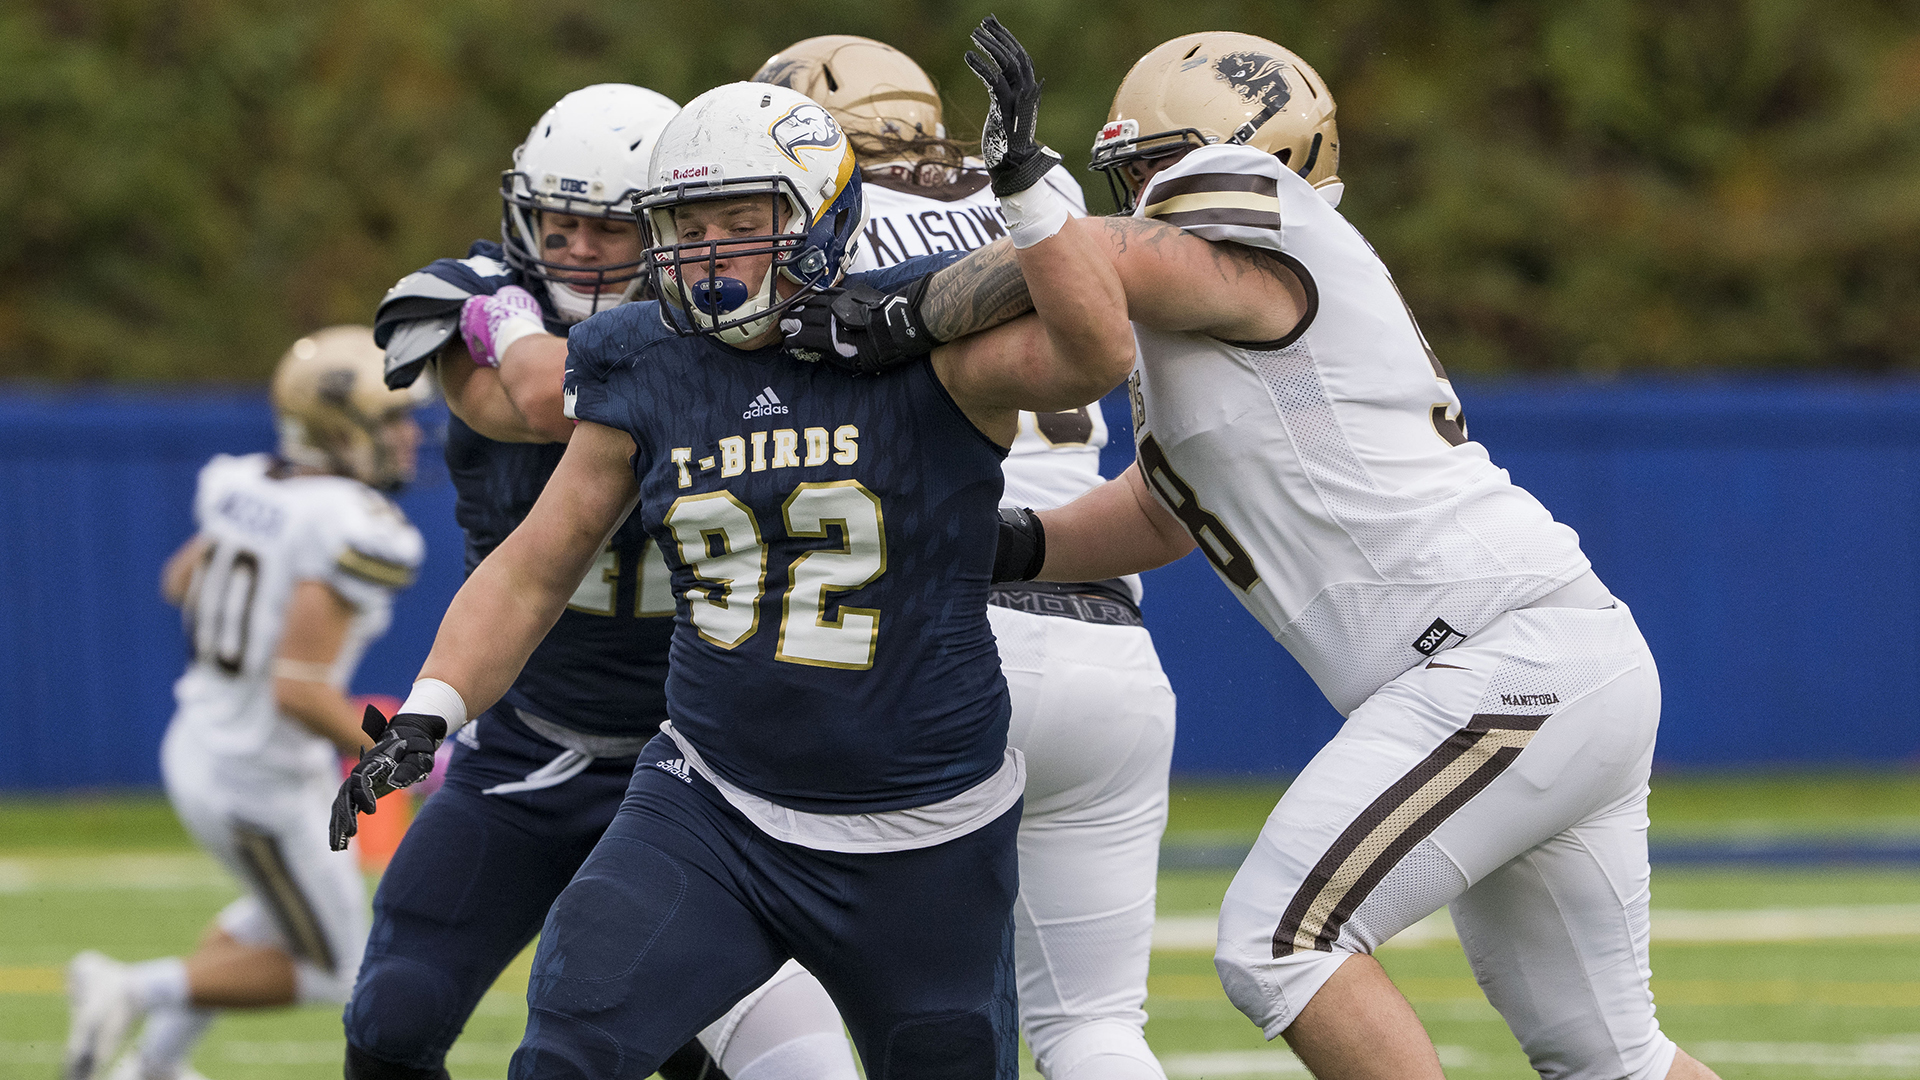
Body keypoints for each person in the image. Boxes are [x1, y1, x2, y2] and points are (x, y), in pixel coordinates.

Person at [330, 74, 1135, 1080]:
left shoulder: (918, 335)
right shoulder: (644, 356)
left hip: (925, 821)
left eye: (736, 220)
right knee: (567, 1049)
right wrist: (431, 709)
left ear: (816, 214)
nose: (706, 249)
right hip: (713, 799)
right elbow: (535, 565)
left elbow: (1096, 352)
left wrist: (1026, 191)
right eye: (684, 222)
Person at [966, 25, 1725, 1080]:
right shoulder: (1228, 338)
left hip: (1498, 663)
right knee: (1614, 1056)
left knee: (1281, 942)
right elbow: (1165, 511)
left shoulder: (1269, 228)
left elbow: (1101, 253)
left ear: (1261, 158)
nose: (1145, 192)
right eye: (1130, 172)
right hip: (1541, 662)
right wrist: (1001, 547)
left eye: (1162, 167)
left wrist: (996, 228)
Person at [356, 83, 857, 1080]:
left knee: (683, 1046)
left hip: (698, 768)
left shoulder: (735, 312)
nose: (578, 248)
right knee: (392, 1020)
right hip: (527, 750)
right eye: (558, 222)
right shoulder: (471, 298)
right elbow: (540, 402)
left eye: (607, 226)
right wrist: (505, 324)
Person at [754, 37, 1177, 1080]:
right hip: (1107, 650)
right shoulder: (1042, 195)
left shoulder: (817, 221)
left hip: (927, 636)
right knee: (1093, 1028)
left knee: (765, 972)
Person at [64, 327, 426, 1080]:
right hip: (256, 774)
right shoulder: (350, 525)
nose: (408, 437)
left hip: (205, 740)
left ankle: (152, 1067)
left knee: (273, 915)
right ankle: (128, 988)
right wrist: (409, 749)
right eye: (390, 421)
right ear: (339, 429)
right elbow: (296, 689)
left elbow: (177, 581)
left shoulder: (245, 481)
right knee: (336, 969)